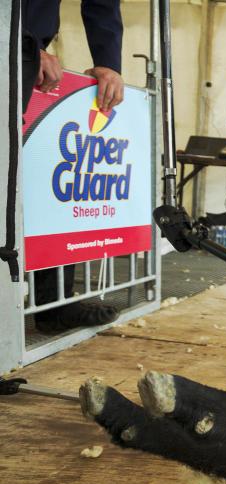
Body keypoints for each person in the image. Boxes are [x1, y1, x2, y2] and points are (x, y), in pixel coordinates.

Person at [22, 0, 124, 331]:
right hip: (17, 45)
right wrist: (22, 42)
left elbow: (102, 3)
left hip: (27, 54)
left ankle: (55, 304)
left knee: (51, 174)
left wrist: (109, 63)